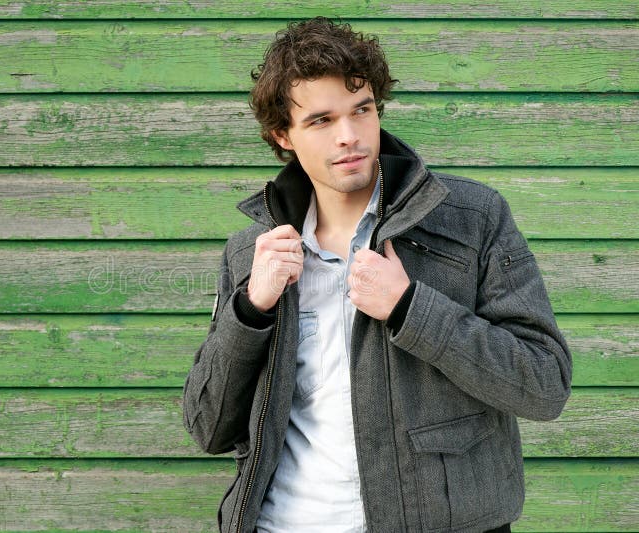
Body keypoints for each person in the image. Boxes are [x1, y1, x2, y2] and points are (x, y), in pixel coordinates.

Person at [182, 16, 572, 533]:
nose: (349, 136)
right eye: (321, 121)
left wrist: (412, 309)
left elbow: (544, 385)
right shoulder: (252, 254)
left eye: (361, 110)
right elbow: (208, 427)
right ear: (284, 136)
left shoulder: (473, 218)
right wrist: (250, 309)